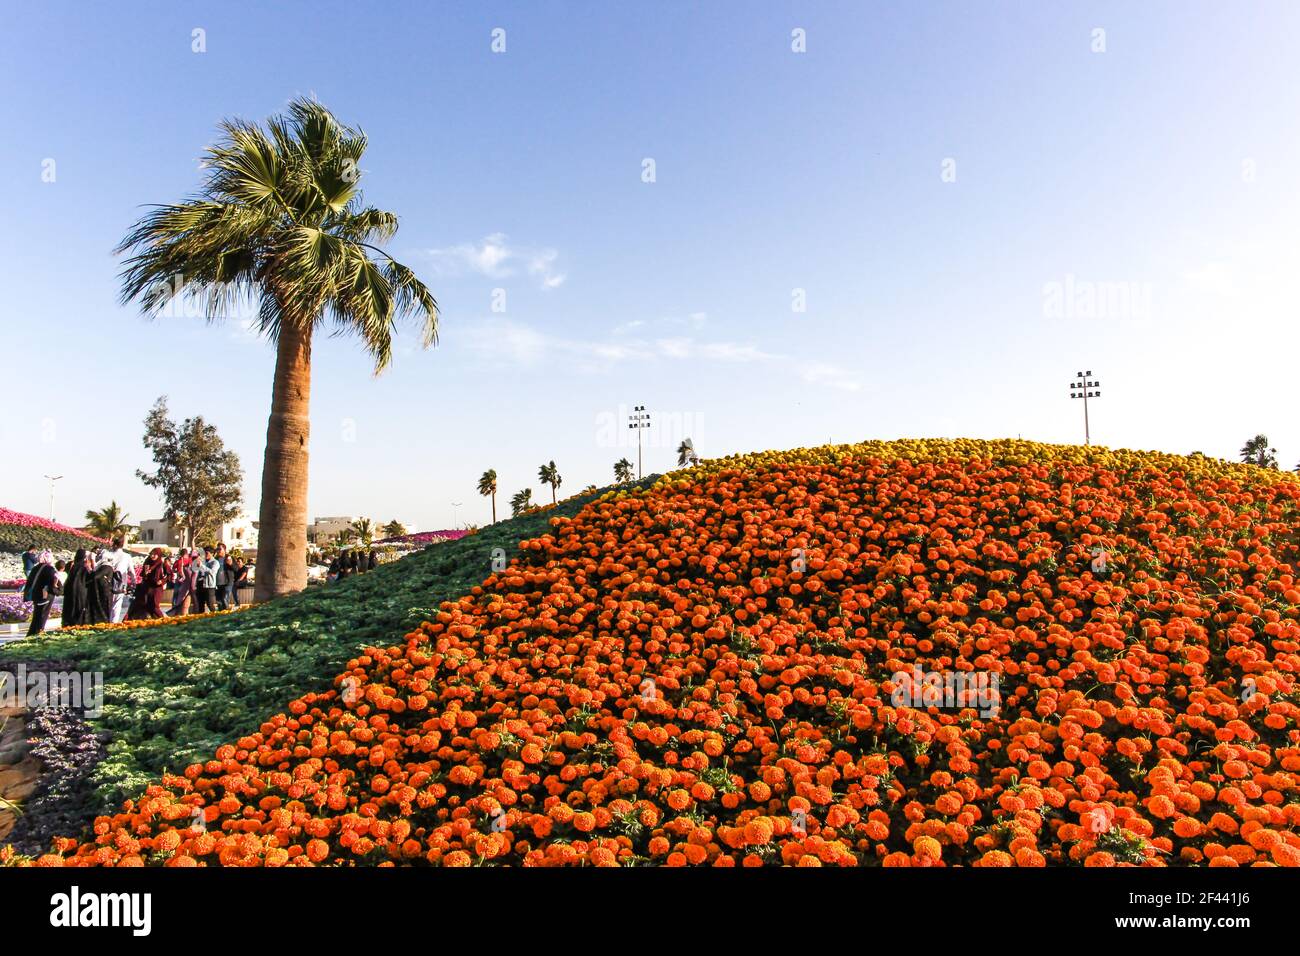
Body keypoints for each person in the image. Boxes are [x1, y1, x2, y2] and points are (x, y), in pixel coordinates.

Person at [96, 536, 136, 624]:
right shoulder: (126, 556)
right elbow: (131, 572)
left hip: (107, 583)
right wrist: (134, 582)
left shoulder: (108, 554)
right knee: (116, 606)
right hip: (120, 584)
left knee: (107, 604)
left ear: (114, 544)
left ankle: (105, 622)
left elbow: (98, 566)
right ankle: (113, 624)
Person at [24, 550, 59, 636]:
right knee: (42, 616)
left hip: (36, 596)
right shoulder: (50, 569)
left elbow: (29, 582)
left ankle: (31, 634)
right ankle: (38, 633)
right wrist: (57, 590)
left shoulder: (35, 568)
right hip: (45, 596)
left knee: (36, 615)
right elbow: (52, 583)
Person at [61, 548, 91, 628]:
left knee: (69, 608)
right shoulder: (85, 567)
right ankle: (78, 624)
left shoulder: (71, 565)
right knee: (79, 608)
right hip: (81, 591)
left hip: (69, 591)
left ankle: (67, 624)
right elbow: (90, 578)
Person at [140, 547, 171, 618]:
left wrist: (162, 581)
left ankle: (164, 620)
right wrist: (145, 573)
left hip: (157, 588)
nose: (152, 556)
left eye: (154, 554)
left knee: (155, 606)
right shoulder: (148, 563)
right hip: (148, 588)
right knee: (148, 606)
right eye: (151, 554)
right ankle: (154, 622)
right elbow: (143, 575)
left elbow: (170, 575)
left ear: (159, 555)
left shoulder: (162, 564)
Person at [194, 548, 220, 613]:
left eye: (207, 553)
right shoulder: (203, 561)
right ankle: (200, 619)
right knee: (200, 604)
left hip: (209, 586)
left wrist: (202, 566)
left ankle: (214, 617)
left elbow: (212, 572)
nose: (205, 555)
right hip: (200, 584)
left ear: (212, 554)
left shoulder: (215, 562)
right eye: (205, 553)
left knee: (210, 604)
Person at [170, 548, 192, 616]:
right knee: (183, 596)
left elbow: (173, 570)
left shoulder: (178, 561)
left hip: (179, 579)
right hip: (186, 581)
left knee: (176, 595)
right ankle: (182, 610)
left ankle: (174, 609)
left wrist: (177, 571)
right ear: (186, 554)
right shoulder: (189, 560)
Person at [213, 544, 231, 610]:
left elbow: (236, 568)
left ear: (224, 550)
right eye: (217, 549)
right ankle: (220, 614)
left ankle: (227, 614)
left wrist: (231, 564)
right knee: (218, 601)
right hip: (217, 583)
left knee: (224, 599)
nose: (218, 551)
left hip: (226, 583)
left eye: (220, 549)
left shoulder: (228, 558)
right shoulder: (215, 559)